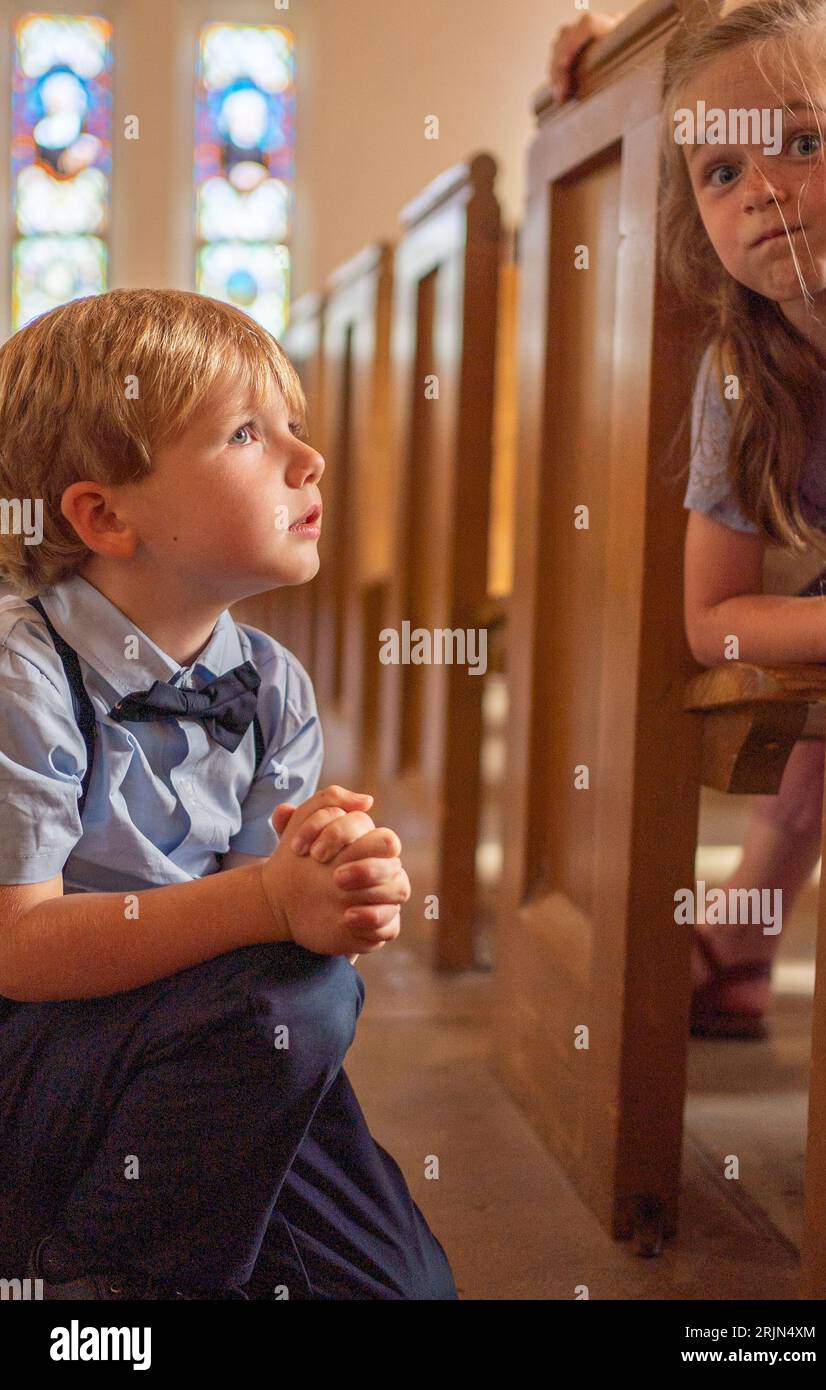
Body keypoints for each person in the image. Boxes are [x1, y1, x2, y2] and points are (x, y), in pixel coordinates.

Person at [0, 287, 458, 1299]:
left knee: (402, 1287)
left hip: (186, 1060)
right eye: (247, 433)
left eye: (294, 425)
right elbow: (19, 950)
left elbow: (270, 957)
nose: (309, 460)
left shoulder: (271, 685)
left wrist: (329, 877)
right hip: (33, 1062)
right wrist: (263, 901)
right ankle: (88, 1288)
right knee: (286, 1004)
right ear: (104, 513)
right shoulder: (21, 672)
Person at [551, 0, 826, 1038]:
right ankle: (737, 944)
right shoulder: (739, 372)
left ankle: (736, 943)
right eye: (718, 170)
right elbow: (711, 618)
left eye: (802, 142)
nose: (761, 189)